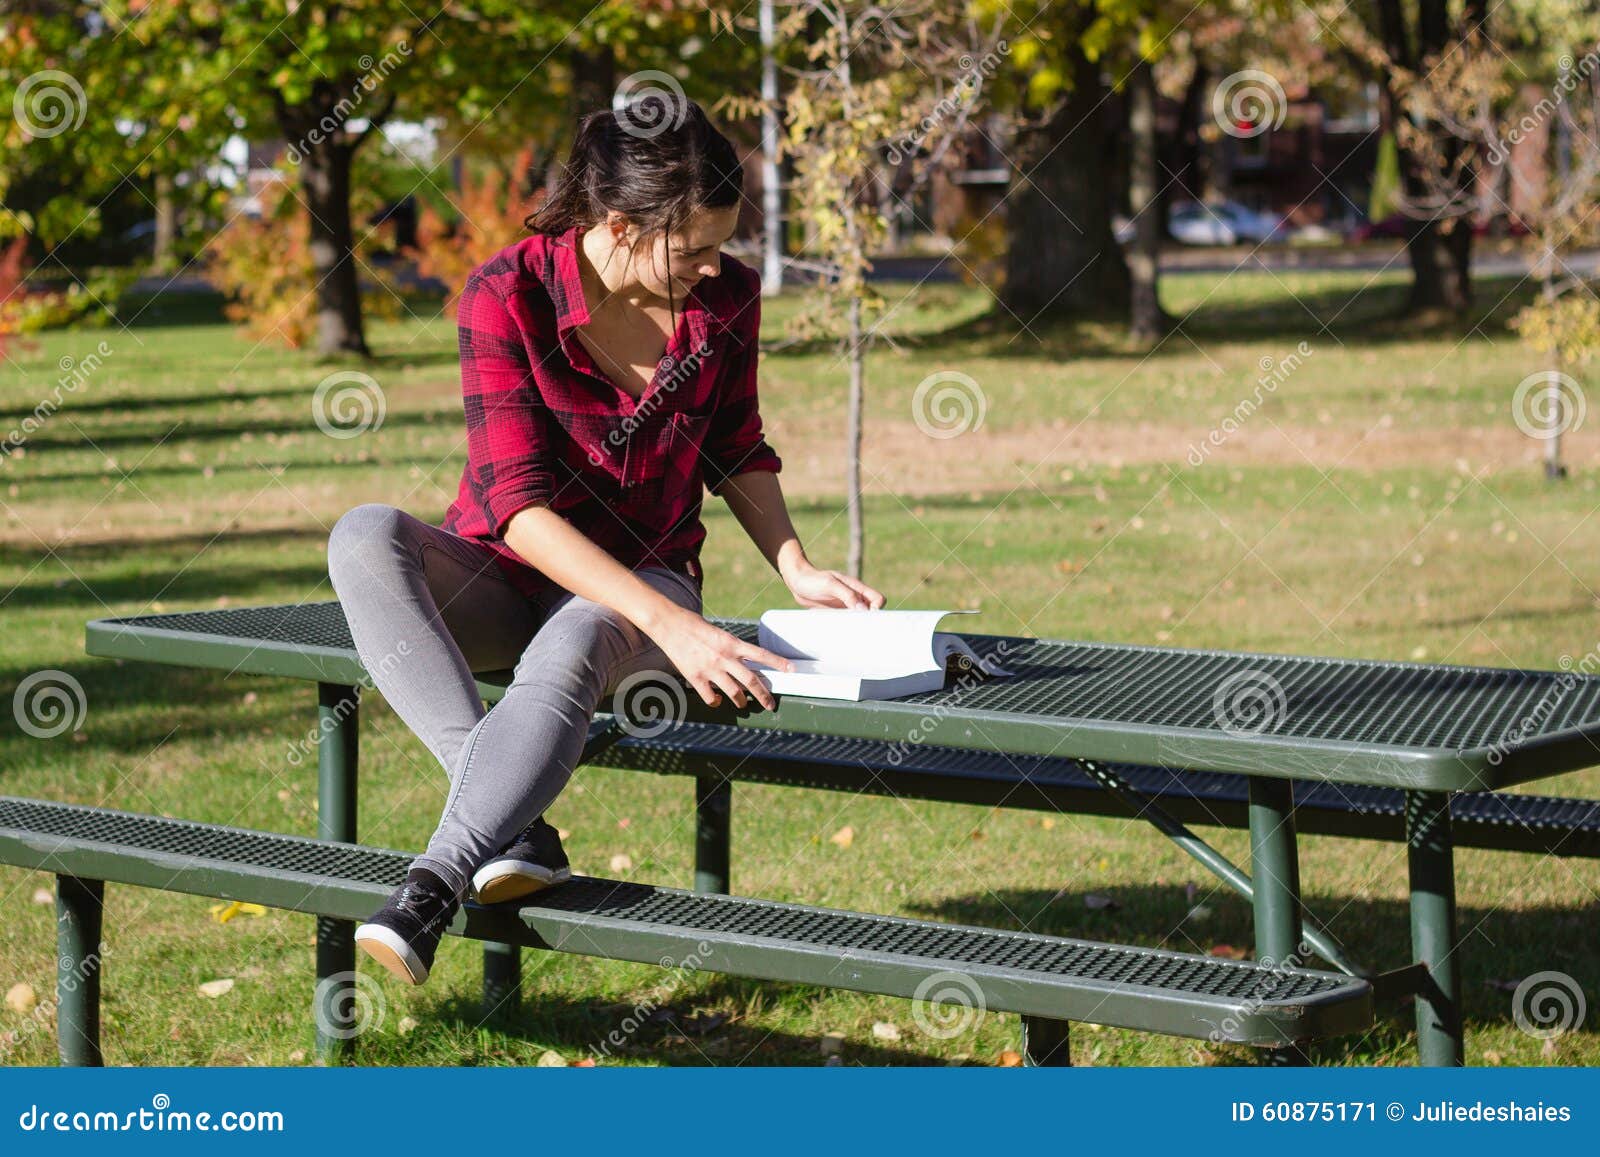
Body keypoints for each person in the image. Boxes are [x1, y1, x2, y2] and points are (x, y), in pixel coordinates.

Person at [326, 96, 885, 986]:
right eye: (692, 248)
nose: (715, 267)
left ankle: (432, 882)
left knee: (587, 624)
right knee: (362, 537)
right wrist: (667, 622)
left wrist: (794, 563)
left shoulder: (727, 301)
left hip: (641, 584)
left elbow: (736, 441)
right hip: (513, 575)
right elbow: (517, 510)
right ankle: (519, 827)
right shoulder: (505, 294)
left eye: (721, 244)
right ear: (619, 226)